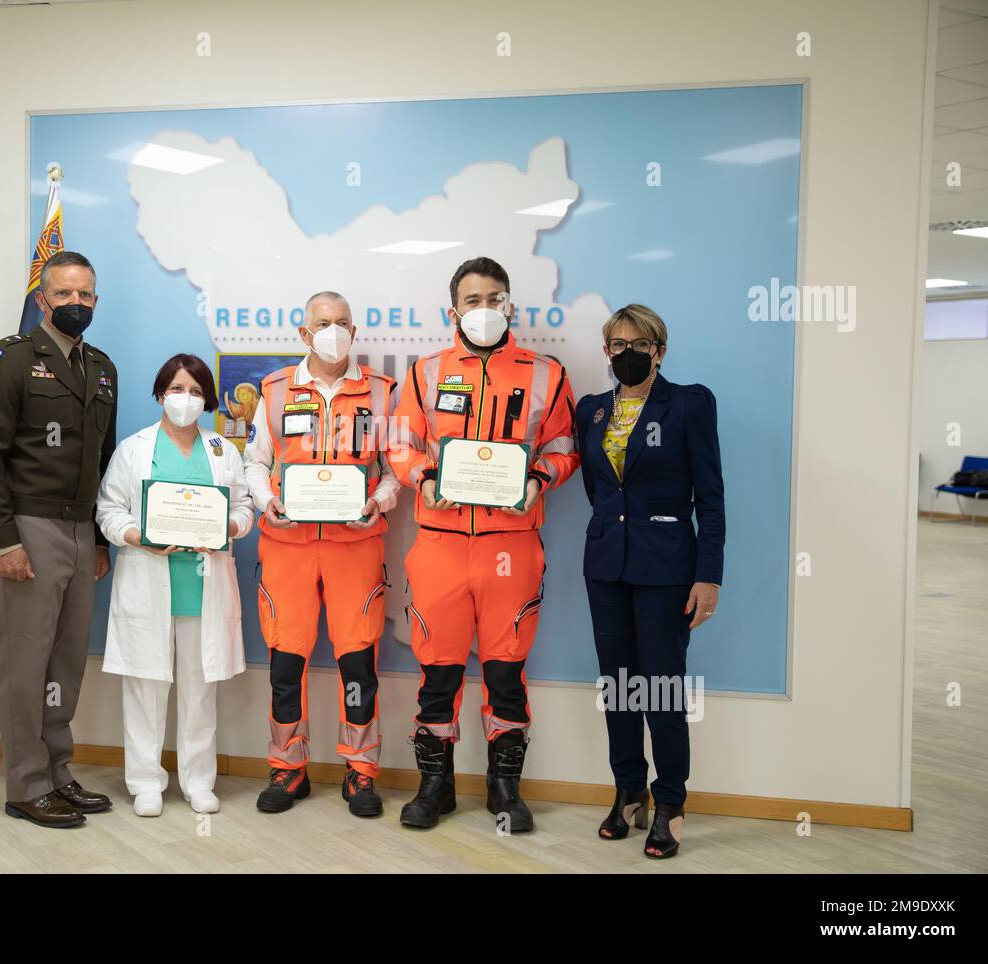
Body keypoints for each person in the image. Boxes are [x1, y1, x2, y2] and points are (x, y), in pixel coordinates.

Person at [388, 257, 579, 833]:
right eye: (473, 301)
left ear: (510, 305)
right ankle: (435, 787)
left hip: (512, 545)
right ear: (454, 310)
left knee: (506, 673)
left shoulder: (546, 373)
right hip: (441, 543)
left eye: (495, 299)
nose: (485, 309)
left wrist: (537, 478)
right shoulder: (425, 372)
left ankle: (505, 791)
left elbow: (565, 445)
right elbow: (400, 444)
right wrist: (424, 476)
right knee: (437, 673)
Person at [0, 250, 117, 828]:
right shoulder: (8, 360)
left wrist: (103, 540)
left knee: (66, 662)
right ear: (42, 299)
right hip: (29, 528)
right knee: (25, 663)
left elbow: (103, 460)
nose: (75, 304)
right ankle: (25, 784)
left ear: (95, 301)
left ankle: (58, 772)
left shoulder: (102, 368)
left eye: (85, 295)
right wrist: (1, 539)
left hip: (84, 530)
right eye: (64, 295)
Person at [575, 304, 725, 859]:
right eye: (616, 344)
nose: (627, 353)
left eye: (639, 343)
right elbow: (600, 492)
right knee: (618, 687)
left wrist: (707, 576)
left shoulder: (688, 404)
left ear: (660, 349)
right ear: (607, 351)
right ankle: (627, 789)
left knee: (661, 691)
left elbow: (710, 497)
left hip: (667, 571)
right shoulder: (590, 411)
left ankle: (670, 803)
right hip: (605, 568)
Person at [242, 291, 399, 817]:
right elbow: (255, 463)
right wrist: (269, 501)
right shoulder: (274, 391)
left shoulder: (382, 393)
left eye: (343, 322)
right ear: (305, 334)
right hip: (287, 546)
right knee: (286, 661)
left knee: (359, 662)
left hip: (356, 546)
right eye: (323, 323)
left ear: (355, 330)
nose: (334, 331)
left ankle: (361, 771)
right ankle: (288, 768)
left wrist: (378, 503)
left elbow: (397, 468)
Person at [96, 354, 253, 817]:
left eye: (196, 391)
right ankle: (145, 781)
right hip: (148, 582)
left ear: (206, 400)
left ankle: (198, 781)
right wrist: (135, 535)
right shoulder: (134, 449)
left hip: (203, 586)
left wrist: (231, 526)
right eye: (177, 389)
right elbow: (109, 510)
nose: (186, 399)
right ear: (160, 394)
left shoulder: (223, 450)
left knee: (199, 689)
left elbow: (244, 506)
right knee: (145, 686)